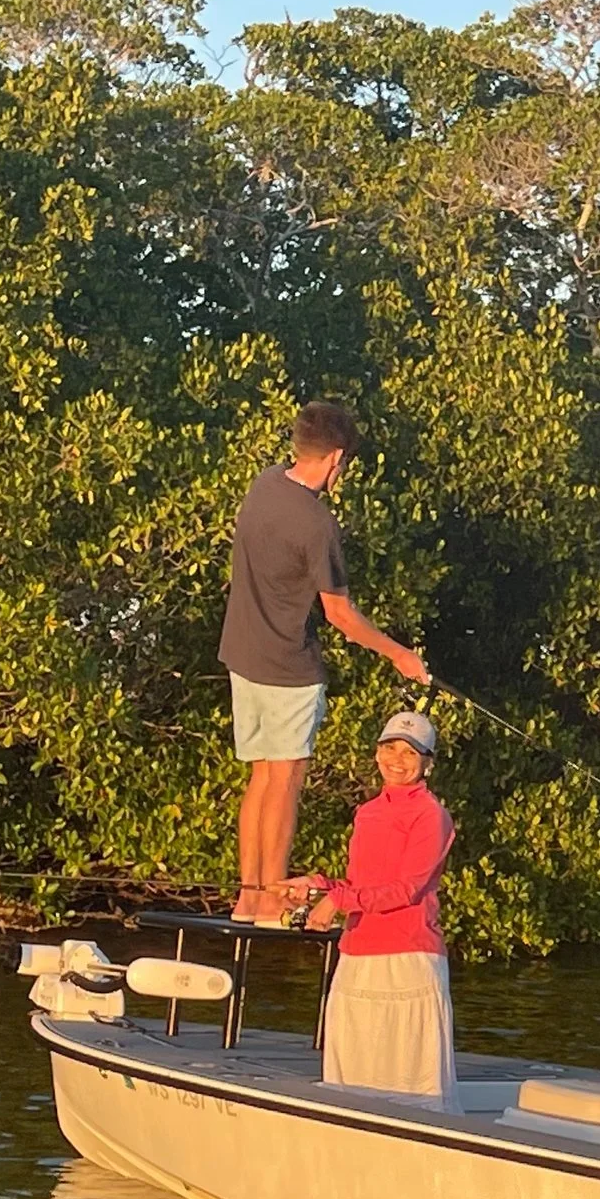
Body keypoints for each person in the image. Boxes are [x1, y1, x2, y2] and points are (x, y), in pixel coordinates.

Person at [220, 399, 429, 924]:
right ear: (336, 458)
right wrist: (400, 654)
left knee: (261, 779)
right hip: (289, 667)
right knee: (285, 783)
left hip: (242, 658)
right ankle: (267, 898)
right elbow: (340, 615)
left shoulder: (264, 484)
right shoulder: (318, 523)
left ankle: (249, 896)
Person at [294, 711, 458, 1109]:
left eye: (409, 752)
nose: (397, 759)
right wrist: (318, 886)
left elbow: (407, 888)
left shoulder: (431, 815)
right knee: (351, 1068)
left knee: (409, 1075)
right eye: (389, 748)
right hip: (358, 951)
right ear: (376, 752)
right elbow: (361, 884)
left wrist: (340, 900)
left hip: (408, 954)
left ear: (427, 764)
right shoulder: (367, 812)